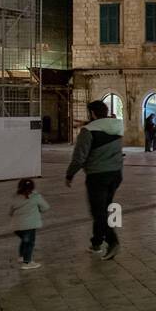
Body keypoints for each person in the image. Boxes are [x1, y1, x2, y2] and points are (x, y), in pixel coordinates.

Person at [66, 99, 125, 260]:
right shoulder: (117, 125)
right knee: (103, 209)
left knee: (98, 212)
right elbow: (102, 126)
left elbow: (79, 157)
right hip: (116, 174)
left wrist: (70, 174)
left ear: (92, 113)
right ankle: (97, 243)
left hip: (98, 175)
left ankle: (113, 242)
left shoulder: (88, 131)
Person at [9, 177, 50, 270]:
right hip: (29, 226)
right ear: (32, 187)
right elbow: (45, 207)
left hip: (17, 226)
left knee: (24, 240)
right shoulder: (36, 196)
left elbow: (10, 212)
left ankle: (21, 256)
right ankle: (27, 262)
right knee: (29, 243)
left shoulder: (15, 197)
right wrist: (38, 209)